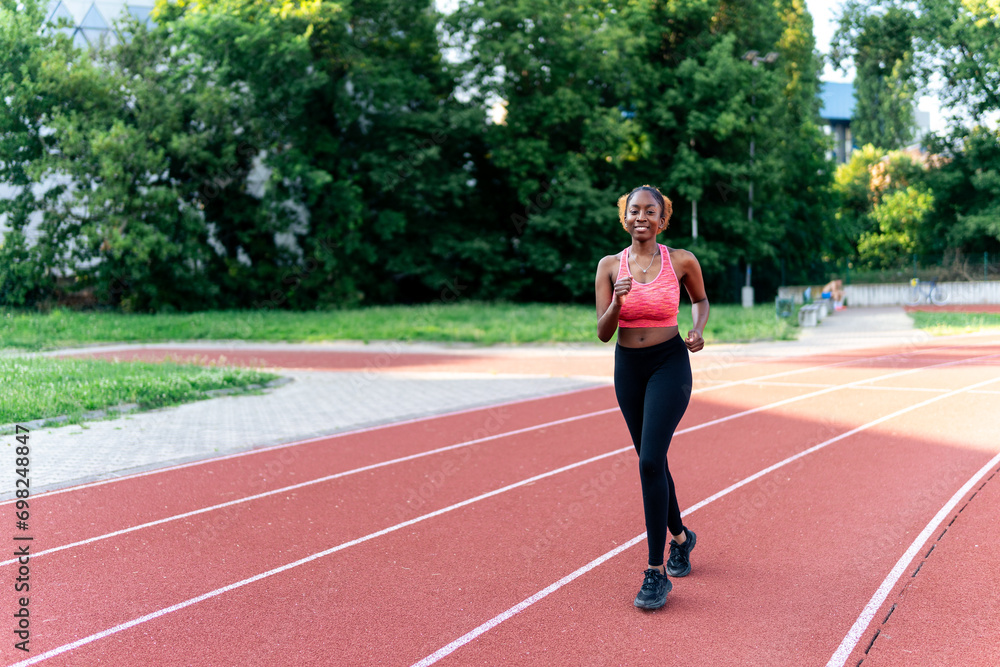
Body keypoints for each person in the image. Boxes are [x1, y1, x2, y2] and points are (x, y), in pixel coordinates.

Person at [594, 184, 709, 610]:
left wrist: (697, 330)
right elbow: (603, 332)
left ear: (662, 219)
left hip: (669, 364)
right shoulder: (609, 266)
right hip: (628, 366)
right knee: (652, 460)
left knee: (648, 461)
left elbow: (700, 300)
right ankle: (682, 538)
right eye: (634, 211)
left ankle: (655, 571)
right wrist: (618, 303)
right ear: (624, 218)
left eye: (650, 211)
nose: (641, 217)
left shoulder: (680, 261)